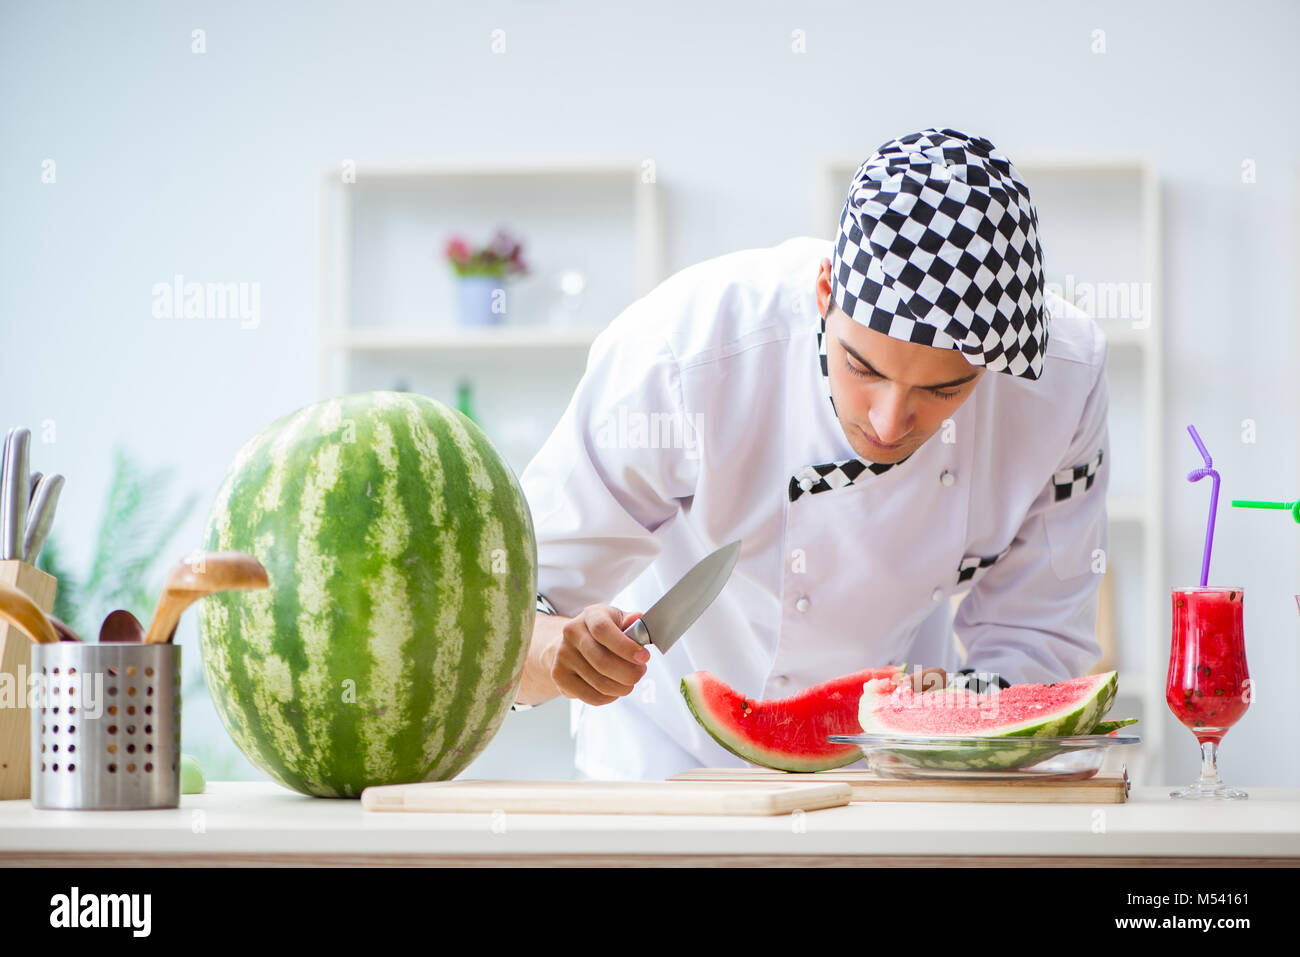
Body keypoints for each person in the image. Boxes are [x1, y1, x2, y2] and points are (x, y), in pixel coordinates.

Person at [513, 128, 1110, 781]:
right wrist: (557, 653)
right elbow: (513, 615)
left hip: (894, 763)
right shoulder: (685, 355)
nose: (888, 421)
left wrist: (965, 725)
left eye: (943, 388)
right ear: (826, 290)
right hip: (664, 752)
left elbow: (1036, 642)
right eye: (862, 365)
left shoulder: (1062, 383)